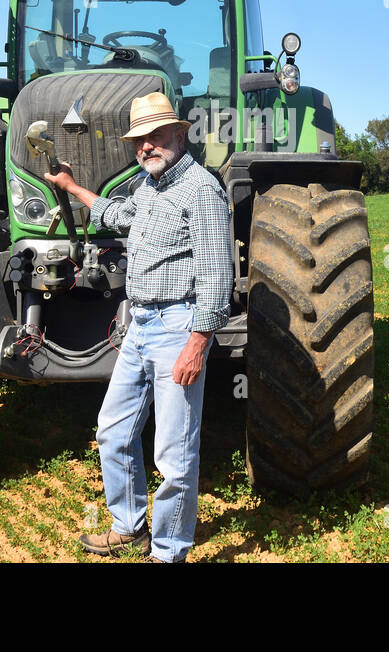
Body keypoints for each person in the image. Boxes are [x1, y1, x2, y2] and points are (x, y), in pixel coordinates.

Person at [42, 91, 233, 562]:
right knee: (113, 429)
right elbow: (115, 214)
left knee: (173, 456)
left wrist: (197, 344)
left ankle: (168, 551)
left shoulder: (202, 191)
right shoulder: (149, 189)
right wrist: (71, 187)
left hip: (178, 327)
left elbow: (216, 275)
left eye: (155, 135)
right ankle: (128, 526)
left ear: (178, 134)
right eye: (139, 139)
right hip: (139, 325)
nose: (146, 146)